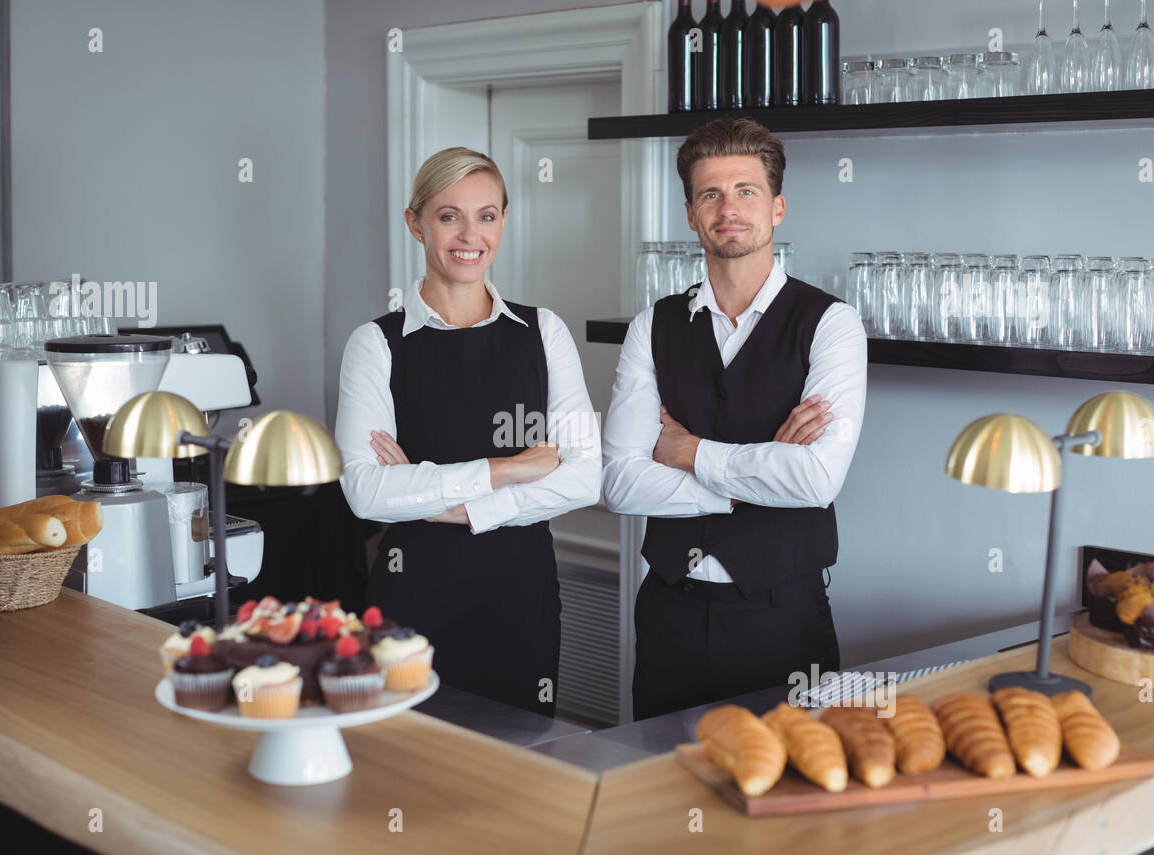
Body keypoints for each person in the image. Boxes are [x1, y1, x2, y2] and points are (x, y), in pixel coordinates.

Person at [601, 118, 867, 720]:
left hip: (784, 618)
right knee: (663, 790)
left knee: (791, 799)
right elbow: (619, 483)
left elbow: (817, 480)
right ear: (691, 213)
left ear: (776, 207)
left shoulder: (829, 324)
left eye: (746, 191)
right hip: (669, 613)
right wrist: (753, 485)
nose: (729, 208)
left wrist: (690, 452)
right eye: (710, 194)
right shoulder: (654, 326)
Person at [335, 146, 601, 717]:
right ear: (416, 223)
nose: (469, 235)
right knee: (408, 776)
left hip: (521, 599)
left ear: (503, 222)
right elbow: (366, 493)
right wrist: (508, 469)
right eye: (448, 215)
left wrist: (443, 502)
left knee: (519, 778)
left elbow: (584, 479)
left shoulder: (544, 333)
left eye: (486, 215)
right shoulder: (375, 344)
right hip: (411, 604)